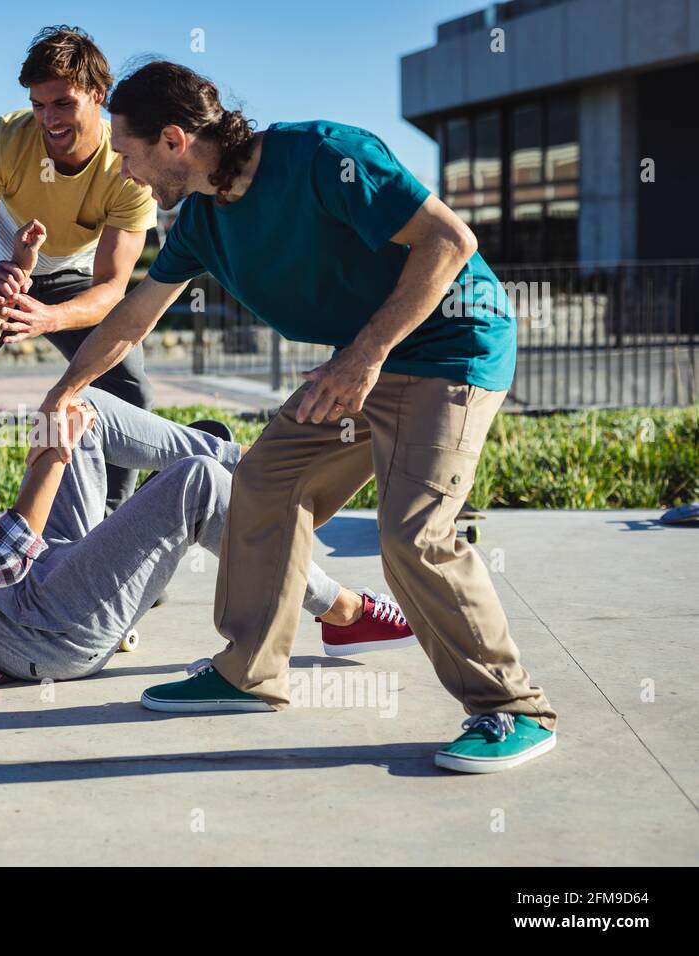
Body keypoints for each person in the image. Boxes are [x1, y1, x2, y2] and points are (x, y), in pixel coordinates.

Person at [36, 61, 557, 774]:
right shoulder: (203, 225)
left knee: (413, 534)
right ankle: (249, 672)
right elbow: (134, 316)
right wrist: (66, 389)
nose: (124, 172)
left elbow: (450, 242)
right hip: (358, 365)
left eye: (126, 153)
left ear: (174, 138)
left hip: (451, 348)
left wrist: (365, 356)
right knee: (263, 483)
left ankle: (511, 708)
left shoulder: (323, 157)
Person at [0, 220, 413, 702]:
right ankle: (342, 611)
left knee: (77, 400)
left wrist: (1, 292)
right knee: (192, 487)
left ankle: (252, 463)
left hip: (41, 582)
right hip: (34, 632)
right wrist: (46, 463)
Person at [0, 25, 157, 512]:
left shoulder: (129, 163)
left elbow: (113, 288)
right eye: (38, 104)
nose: (48, 119)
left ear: (98, 94)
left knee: (129, 386)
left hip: (72, 278)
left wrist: (50, 317)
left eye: (62, 104)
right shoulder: (2, 141)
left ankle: (114, 524)